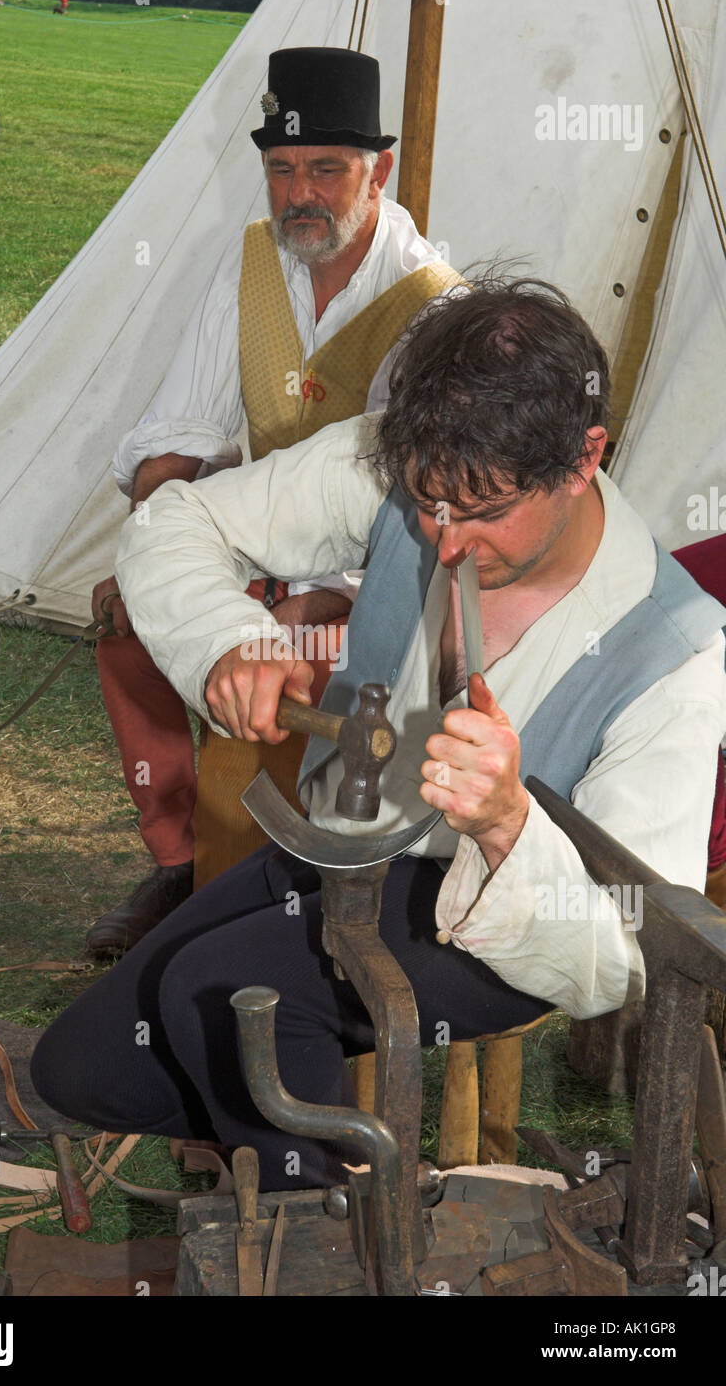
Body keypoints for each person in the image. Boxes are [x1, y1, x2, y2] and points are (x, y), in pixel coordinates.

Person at [31, 276, 726, 1192]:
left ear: (585, 456)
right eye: (428, 503)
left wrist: (506, 823)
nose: (444, 540)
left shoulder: (671, 652)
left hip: (487, 920)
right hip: (343, 845)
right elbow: (179, 520)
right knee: (81, 1070)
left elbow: (624, 954)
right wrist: (230, 642)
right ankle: (350, 1164)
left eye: (482, 512)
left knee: (248, 997)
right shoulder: (411, 456)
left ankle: (329, 1226)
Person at [86, 46, 462, 957]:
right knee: (126, 619)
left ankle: (280, 879)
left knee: (298, 660)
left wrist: (318, 593)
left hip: (377, 578)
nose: (301, 192)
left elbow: (418, 504)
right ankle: (183, 859)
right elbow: (181, 428)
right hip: (253, 545)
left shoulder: (434, 304)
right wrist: (158, 536)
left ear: (376, 172)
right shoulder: (253, 261)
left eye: (327, 170)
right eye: (282, 169)